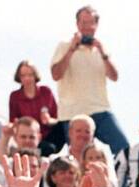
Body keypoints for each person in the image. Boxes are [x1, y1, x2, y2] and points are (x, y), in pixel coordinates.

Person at [47, 5, 127, 156]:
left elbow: (114, 76)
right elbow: (56, 74)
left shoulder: (102, 49)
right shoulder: (64, 46)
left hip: (100, 109)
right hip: (73, 113)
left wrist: (103, 53)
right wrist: (72, 49)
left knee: (123, 148)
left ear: (96, 25)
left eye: (91, 23)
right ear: (77, 24)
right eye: (83, 23)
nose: (87, 27)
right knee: (78, 155)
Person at [9, 59, 56, 139]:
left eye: (30, 75)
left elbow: (57, 119)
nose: (27, 79)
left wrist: (48, 120)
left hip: (48, 137)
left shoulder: (46, 92)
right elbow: (13, 122)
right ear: (19, 77)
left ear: (35, 75)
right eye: (23, 76)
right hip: (27, 139)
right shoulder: (15, 96)